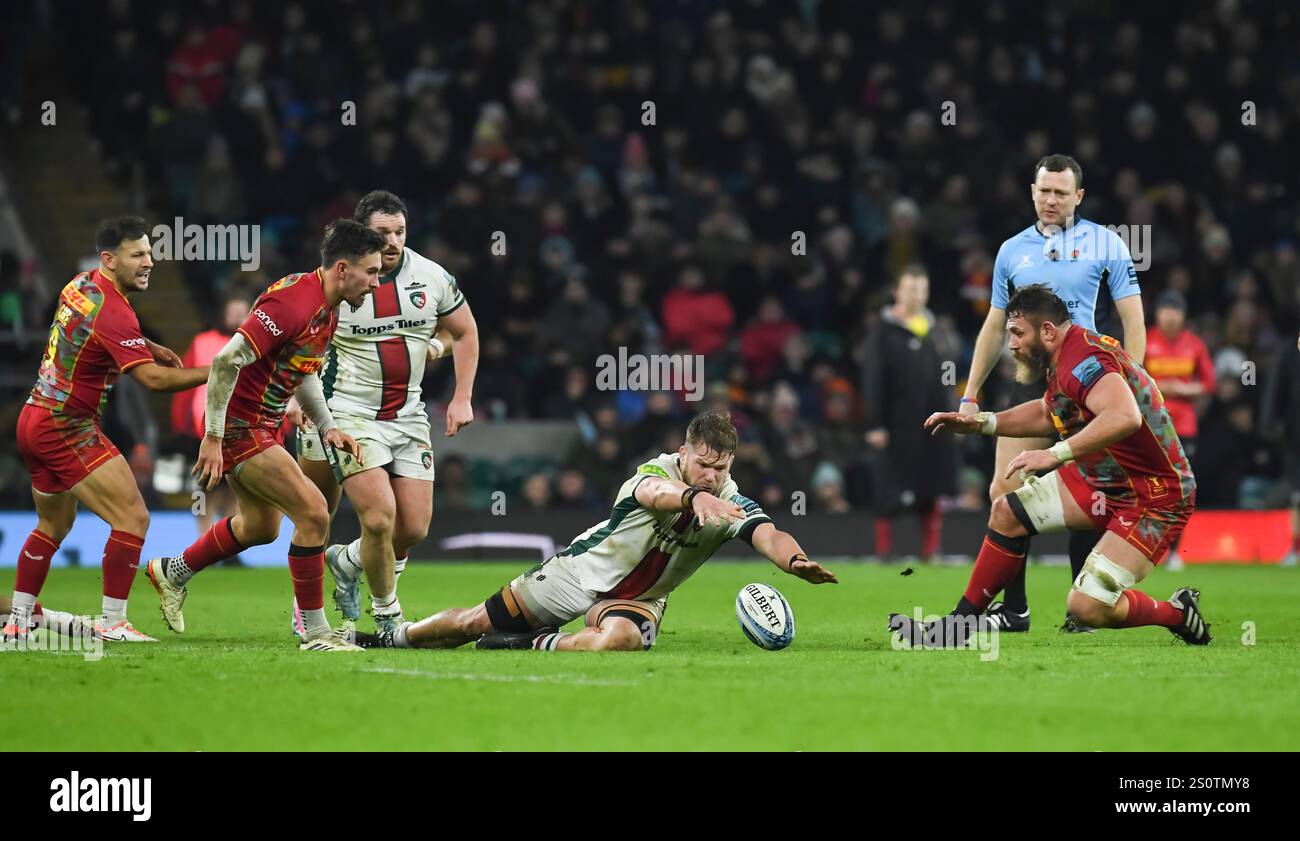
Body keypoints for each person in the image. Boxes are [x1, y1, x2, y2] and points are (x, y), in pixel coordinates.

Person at [352, 411, 838, 652]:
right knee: (472, 624)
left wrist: (794, 562)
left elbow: (768, 533)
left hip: (642, 596)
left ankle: (536, 644)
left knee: (618, 640)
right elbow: (656, 496)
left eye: (721, 467)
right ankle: (394, 637)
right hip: (577, 574)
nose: (711, 474)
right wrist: (695, 496)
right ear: (684, 452)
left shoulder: (729, 497)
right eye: (704, 464)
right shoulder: (652, 471)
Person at [895, 285, 1208, 648]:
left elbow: (1125, 416)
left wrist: (1056, 454)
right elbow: (1048, 412)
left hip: (1156, 496)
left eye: (1017, 333)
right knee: (1006, 512)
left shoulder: (1083, 360)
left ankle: (1177, 613)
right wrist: (982, 422)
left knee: (1086, 607)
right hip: (1105, 480)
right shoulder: (1066, 354)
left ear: (1047, 331)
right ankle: (958, 626)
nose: (1010, 344)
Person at [145, 220, 384, 651]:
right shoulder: (292, 303)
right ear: (344, 269)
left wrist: (328, 426)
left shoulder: (327, 307)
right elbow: (224, 363)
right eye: (372, 271)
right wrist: (213, 437)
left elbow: (303, 372)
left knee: (261, 527)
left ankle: (172, 570)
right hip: (240, 426)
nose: (377, 282)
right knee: (314, 513)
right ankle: (315, 632)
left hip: (265, 423)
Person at [956, 154, 1145, 633]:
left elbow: (1132, 317)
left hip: (1086, 386)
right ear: (1032, 192)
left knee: (1089, 502)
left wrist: (1132, 381)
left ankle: (1080, 611)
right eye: (1044, 191)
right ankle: (1014, 610)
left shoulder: (1107, 242)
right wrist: (970, 393)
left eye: (1061, 192)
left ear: (1078, 196)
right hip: (1030, 385)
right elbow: (995, 325)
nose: (1051, 200)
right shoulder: (1010, 251)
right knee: (1004, 491)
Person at [4, 217, 209, 644]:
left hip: (34, 417)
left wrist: (144, 344)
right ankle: (112, 623)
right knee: (133, 517)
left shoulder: (81, 284)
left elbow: (91, 330)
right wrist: (218, 371)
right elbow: (152, 381)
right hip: (66, 425)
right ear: (109, 259)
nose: (149, 262)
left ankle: (20, 619)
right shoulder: (113, 311)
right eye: (138, 255)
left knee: (52, 525)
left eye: (150, 252)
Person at [291, 190, 477, 636]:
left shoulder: (431, 277)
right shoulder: (341, 280)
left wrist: (461, 396)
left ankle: (348, 558)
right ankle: (387, 614)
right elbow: (303, 340)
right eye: (382, 234)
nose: (392, 241)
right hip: (346, 412)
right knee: (370, 517)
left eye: (399, 232)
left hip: (407, 414)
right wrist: (296, 396)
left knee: (411, 528)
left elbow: (465, 331)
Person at [861, 264, 958, 560]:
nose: (916, 295)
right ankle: (884, 550)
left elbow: (947, 378)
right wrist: (875, 423)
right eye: (910, 288)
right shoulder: (883, 331)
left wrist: (952, 415)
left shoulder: (935, 331)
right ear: (897, 292)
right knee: (889, 487)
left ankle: (931, 550)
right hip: (896, 424)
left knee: (931, 486)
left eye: (921, 289)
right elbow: (873, 380)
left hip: (932, 424)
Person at [172, 293, 253, 563]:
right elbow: (186, 383)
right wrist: (181, 422)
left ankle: (228, 547)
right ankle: (205, 546)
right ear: (223, 313)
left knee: (234, 488)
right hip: (203, 429)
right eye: (234, 311)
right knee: (206, 490)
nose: (237, 317)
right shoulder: (203, 341)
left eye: (243, 312)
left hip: (240, 426)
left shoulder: (254, 344)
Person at [1143, 289, 1214, 569]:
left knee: (1181, 489)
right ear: (1158, 314)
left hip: (1184, 427)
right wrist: (1159, 388)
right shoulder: (1146, 341)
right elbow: (1128, 376)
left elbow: (1209, 383)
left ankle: (1175, 552)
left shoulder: (1194, 345)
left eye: (1176, 312)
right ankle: (1148, 547)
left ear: (1183, 316)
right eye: (1166, 311)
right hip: (1152, 426)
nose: (1170, 317)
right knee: (1151, 486)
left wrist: (1185, 388)